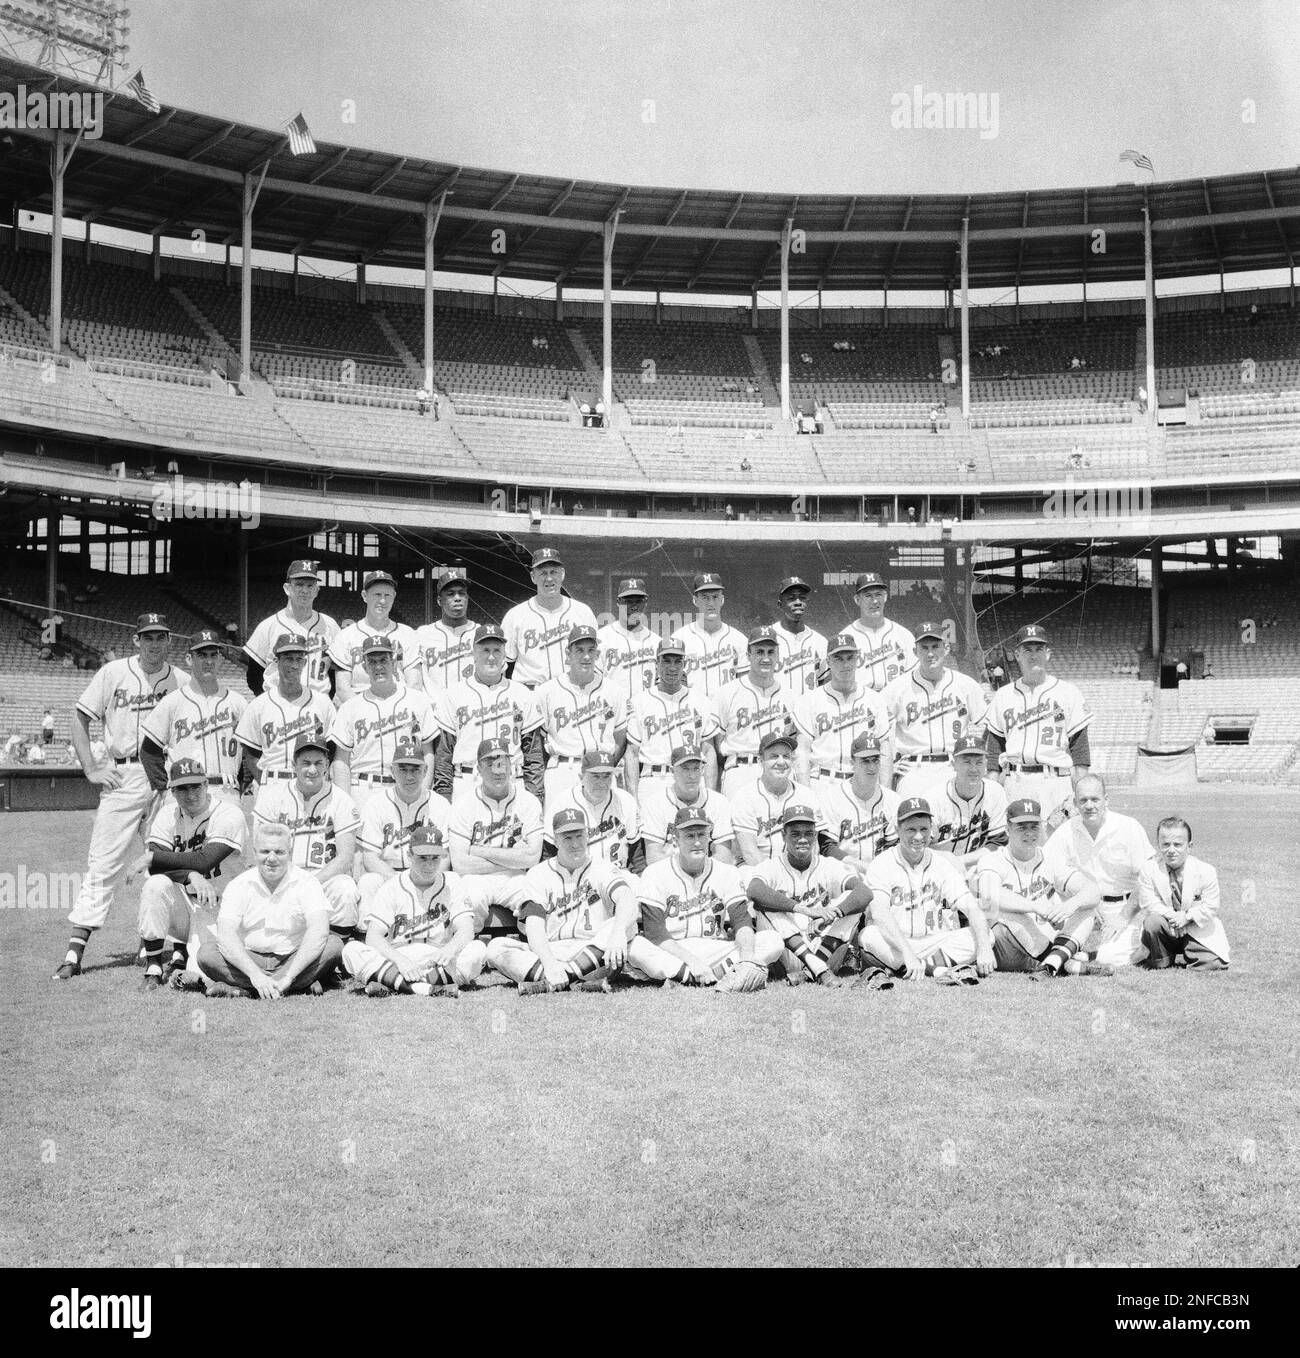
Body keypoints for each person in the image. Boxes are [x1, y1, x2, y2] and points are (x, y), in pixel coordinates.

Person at [55, 613, 188, 981]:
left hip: (166, 775)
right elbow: (79, 717)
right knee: (103, 862)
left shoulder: (182, 680)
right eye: (148, 637)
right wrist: (90, 768)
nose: (155, 643)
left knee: (169, 860)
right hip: (124, 773)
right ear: (136, 640)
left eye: (161, 636)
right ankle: (74, 950)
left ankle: (173, 948)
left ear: (169, 640)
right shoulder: (112, 672)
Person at [484, 806, 646, 993]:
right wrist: (550, 963)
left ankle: (562, 978)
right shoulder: (539, 874)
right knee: (496, 948)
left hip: (594, 954)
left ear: (587, 836)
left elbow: (626, 898)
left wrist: (618, 933)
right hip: (551, 952)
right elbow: (534, 927)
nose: (575, 843)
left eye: (579, 836)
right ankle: (573, 980)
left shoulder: (602, 867)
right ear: (555, 840)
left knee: (624, 924)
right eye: (567, 837)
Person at [627, 807, 784, 988]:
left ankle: (686, 978)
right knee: (635, 948)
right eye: (689, 836)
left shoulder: (728, 872)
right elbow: (656, 934)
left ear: (709, 836)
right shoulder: (655, 873)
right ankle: (714, 974)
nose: (697, 842)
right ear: (675, 839)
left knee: (772, 941)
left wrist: (747, 959)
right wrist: (693, 961)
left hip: (716, 948)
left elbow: (741, 922)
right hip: (673, 949)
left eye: (701, 835)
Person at [127, 758, 248, 991]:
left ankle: (190, 959)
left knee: (205, 968)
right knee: (156, 884)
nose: (190, 794)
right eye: (182, 788)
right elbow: (157, 868)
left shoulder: (229, 814)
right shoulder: (166, 815)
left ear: (206, 784)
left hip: (222, 906)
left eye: (195, 786)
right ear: (172, 790)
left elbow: (205, 860)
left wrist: (153, 856)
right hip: (184, 905)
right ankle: (153, 967)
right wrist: (191, 876)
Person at [197, 822, 344, 999]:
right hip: (249, 957)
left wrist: (289, 975)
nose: (272, 858)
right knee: (206, 954)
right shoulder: (239, 885)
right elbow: (226, 935)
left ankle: (249, 989)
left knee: (333, 945)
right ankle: (298, 984)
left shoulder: (307, 882)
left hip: (292, 958)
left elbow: (318, 931)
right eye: (265, 851)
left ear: (289, 853)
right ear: (254, 852)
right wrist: (255, 975)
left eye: (279, 852)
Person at [859, 797, 995, 985]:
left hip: (937, 942)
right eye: (911, 829)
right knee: (869, 935)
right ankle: (937, 970)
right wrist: (907, 952)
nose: (918, 836)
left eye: (924, 829)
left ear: (932, 830)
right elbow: (879, 913)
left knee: (987, 936)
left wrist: (985, 948)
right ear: (898, 830)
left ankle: (915, 967)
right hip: (898, 942)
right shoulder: (881, 864)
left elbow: (971, 907)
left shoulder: (941, 863)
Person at [342, 824, 487, 997]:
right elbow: (373, 937)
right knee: (351, 950)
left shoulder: (453, 882)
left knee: (478, 950)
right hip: (398, 958)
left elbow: (466, 929)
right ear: (410, 855)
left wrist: (450, 949)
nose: (430, 865)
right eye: (423, 858)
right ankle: (429, 987)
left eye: (435, 858)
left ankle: (393, 983)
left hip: (438, 959)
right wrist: (401, 961)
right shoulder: (392, 886)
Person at [976, 797, 1108, 978]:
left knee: (1087, 906)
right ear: (1007, 829)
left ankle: (1053, 963)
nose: (1029, 833)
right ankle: (1066, 963)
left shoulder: (1050, 858)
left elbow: (1092, 890)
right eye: (1021, 827)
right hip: (1006, 946)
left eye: (1034, 826)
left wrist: (1070, 905)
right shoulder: (992, 859)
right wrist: (1037, 907)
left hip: (1045, 942)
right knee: (1010, 914)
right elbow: (990, 895)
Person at [747, 804, 876, 985]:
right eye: (795, 834)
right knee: (766, 903)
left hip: (823, 947)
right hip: (786, 952)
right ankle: (816, 968)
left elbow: (865, 892)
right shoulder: (771, 867)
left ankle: (810, 970)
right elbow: (754, 890)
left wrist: (830, 915)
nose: (803, 839)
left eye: (808, 833)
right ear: (783, 836)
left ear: (815, 836)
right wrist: (803, 910)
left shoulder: (828, 865)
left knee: (852, 901)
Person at [253, 733, 363, 941]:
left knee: (345, 889)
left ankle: (337, 951)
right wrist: (285, 880)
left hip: (325, 877)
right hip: (282, 876)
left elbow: (345, 857)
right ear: (294, 764)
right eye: (305, 763)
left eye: (317, 763)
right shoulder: (272, 796)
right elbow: (260, 849)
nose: (311, 770)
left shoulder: (341, 800)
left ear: (327, 765)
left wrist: (310, 882)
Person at [984, 624, 1092, 827]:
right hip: (1014, 781)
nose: (1033, 656)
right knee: (1016, 846)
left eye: (1039, 649)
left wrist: (1080, 794)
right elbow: (994, 753)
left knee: (1058, 846)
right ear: (1016, 655)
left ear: (1048, 654)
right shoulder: (1003, 695)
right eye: (1027, 650)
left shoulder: (1068, 692)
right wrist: (991, 792)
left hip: (1055, 781)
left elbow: (1080, 753)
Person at [1042, 774, 1153, 968]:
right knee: (1042, 940)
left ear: (1106, 800)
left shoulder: (1128, 827)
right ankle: (1066, 952)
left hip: (1122, 907)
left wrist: (1123, 918)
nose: (1089, 805)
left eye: (1095, 799)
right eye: (1083, 800)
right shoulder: (1066, 831)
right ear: (1075, 803)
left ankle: (1087, 956)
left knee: (1109, 956)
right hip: (1084, 906)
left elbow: (1148, 877)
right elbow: (1045, 868)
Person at [433, 622, 543, 800]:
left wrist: (536, 798)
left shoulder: (522, 694)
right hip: (467, 780)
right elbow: (444, 756)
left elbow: (533, 755)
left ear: (504, 655)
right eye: (485, 650)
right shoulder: (452, 695)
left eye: (497, 650)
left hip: (512, 780)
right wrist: (444, 798)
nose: (491, 657)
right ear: (473, 653)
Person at [140, 629, 247, 808]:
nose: (208, 661)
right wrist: (164, 788)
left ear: (220, 659)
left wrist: (242, 786)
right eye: (202, 655)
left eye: (214, 655)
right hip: (185, 791)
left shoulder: (237, 702)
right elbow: (149, 751)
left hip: (226, 789)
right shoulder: (172, 702)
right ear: (189, 659)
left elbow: (249, 752)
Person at [448, 737, 545, 935]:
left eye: (502, 763)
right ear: (479, 769)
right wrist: (513, 858)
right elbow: (460, 864)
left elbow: (532, 858)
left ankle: (532, 950)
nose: (497, 770)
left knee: (536, 900)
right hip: (475, 878)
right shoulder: (463, 804)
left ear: (511, 766)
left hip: (516, 878)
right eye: (489, 763)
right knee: (468, 900)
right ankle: (468, 953)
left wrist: (477, 851)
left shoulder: (528, 801)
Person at [329, 637, 437, 810]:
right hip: (363, 788)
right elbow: (341, 761)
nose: (378, 667)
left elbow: (428, 753)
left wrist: (423, 792)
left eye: (383, 660)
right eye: (372, 662)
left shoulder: (418, 701)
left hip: (406, 787)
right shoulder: (350, 708)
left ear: (394, 663)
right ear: (364, 667)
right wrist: (345, 804)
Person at [882, 622, 987, 791]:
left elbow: (988, 725)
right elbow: (877, 730)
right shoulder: (896, 688)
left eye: (935, 646)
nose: (930, 653)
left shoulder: (966, 685)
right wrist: (888, 765)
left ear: (946, 648)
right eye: (924, 648)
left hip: (953, 768)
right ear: (915, 652)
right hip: (913, 770)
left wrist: (975, 759)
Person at [535, 625, 627, 814]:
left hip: (601, 771)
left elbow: (620, 739)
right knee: (559, 831)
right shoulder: (547, 691)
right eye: (579, 650)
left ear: (597, 654)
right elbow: (537, 744)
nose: (586, 656)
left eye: (590, 650)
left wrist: (604, 767)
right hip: (563, 768)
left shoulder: (614, 691)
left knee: (605, 832)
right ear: (568, 654)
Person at [357, 736, 453, 903]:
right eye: (403, 769)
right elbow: (370, 858)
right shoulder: (375, 803)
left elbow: (445, 857)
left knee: (453, 880)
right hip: (387, 875)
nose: (409, 776)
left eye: (415, 769)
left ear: (425, 771)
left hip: (428, 876)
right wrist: (398, 881)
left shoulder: (440, 805)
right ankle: (368, 930)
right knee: (368, 882)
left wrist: (423, 881)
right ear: (392, 771)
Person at [791, 632, 893, 786]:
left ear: (857, 660)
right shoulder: (810, 700)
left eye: (850, 658)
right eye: (838, 659)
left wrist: (885, 790)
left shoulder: (875, 699)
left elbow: (885, 750)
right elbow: (802, 752)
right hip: (824, 780)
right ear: (828, 662)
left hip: (863, 782)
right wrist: (805, 792)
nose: (845, 665)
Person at [625, 637, 719, 804]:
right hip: (653, 778)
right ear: (657, 663)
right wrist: (633, 799)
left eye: (678, 661)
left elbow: (709, 750)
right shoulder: (639, 702)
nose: (672, 667)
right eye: (666, 661)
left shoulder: (701, 701)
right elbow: (631, 754)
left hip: (692, 780)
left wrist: (710, 794)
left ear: (685, 664)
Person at [235, 634, 335, 790]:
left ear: (304, 662)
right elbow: (250, 753)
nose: (294, 665)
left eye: (299, 659)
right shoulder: (259, 705)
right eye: (288, 658)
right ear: (277, 661)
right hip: (272, 781)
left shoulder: (322, 703)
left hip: (311, 783)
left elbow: (332, 747)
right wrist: (264, 781)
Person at [906, 733, 1008, 877]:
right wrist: (946, 859)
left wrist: (959, 861)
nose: (973, 769)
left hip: (977, 868)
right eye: (966, 762)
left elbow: (998, 843)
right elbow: (914, 848)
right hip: (935, 870)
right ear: (954, 765)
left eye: (979, 762)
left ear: (986, 764)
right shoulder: (933, 799)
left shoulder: (995, 792)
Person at [713, 626, 794, 800]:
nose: (766, 658)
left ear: (777, 655)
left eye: (770, 652)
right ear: (748, 655)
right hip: (740, 769)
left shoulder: (790, 695)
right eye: (759, 652)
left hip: (779, 771)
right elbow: (717, 745)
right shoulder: (727, 692)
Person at [1137, 817, 1229, 970]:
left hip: (1195, 927)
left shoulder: (1206, 871)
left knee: (1213, 963)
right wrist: (1173, 916)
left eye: (1178, 845)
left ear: (1189, 846)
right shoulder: (1149, 869)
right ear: (1158, 845)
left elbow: (1211, 906)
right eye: (1165, 844)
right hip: (1165, 926)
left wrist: (1186, 917)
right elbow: (1148, 903)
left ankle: (1192, 954)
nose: (1171, 850)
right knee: (1152, 922)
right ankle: (1163, 960)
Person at [730, 729, 828, 871]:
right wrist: (780, 878)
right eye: (774, 756)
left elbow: (813, 847)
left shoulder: (807, 796)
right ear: (760, 761)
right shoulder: (744, 797)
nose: (781, 762)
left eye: (786, 756)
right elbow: (749, 852)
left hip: (799, 870)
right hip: (755, 870)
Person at [501, 547, 598, 690]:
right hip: (531, 692)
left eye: (554, 572)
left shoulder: (582, 611)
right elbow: (503, 663)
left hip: (573, 691)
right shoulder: (515, 615)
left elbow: (596, 659)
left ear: (563, 574)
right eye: (542, 573)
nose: (549, 578)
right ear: (533, 577)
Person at [243, 559, 339, 698]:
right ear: (287, 588)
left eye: (310, 585)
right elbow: (254, 675)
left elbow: (336, 672)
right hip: (277, 704)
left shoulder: (330, 625)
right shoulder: (269, 626)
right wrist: (270, 701)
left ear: (317, 590)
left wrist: (325, 699)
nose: (305, 590)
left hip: (318, 705)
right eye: (299, 584)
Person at [542, 748, 642, 872]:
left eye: (607, 776)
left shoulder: (625, 801)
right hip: (578, 878)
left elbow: (637, 854)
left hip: (618, 874)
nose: (601, 783)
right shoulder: (562, 803)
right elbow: (547, 853)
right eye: (595, 776)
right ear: (581, 777)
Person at [329, 570, 419, 702]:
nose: (382, 600)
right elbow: (343, 689)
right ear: (365, 596)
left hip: (399, 703)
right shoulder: (346, 636)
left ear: (394, 596)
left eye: (387, 595)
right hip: (358, 701)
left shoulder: (407, 633)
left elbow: (415, 684)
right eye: (377, 594)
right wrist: (367, 712)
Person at [818, 732, 900, 876]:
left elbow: (894, 846)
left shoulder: (892, 800)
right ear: (852, 763)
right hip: (843, 872)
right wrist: (860, 866)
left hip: (881, 874)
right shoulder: (831, 798)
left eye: (875, 760)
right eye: (865, 761)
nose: (872, 767)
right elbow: (827, 847)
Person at [640, 744, 735, 866]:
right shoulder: (655, 803)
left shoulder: (719, 802)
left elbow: (725, 856)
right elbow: (653, 857)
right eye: (685, 768)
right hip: (669, 873)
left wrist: (699, 872)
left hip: (708, 873)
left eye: (696, 768)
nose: (692, 775)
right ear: (672, 771)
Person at [671, 572, 749, 701]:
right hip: (691, 710)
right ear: (695, 601)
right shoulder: (679, 639)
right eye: (705, 597)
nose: (711, 603)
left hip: (728, 710)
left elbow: (745, 686)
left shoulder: (739, 639)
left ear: (722, 599)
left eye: (715, 597)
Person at [844, 572, 915, 693]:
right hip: (861, 704)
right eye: (868, 596)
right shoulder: (847, 637)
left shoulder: (903, 635)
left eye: (878, 595)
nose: (875, 601)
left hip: (897, 702)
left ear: (885, 597)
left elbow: (915, 676)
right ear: (857, 600)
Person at [411, 568, 476, 697]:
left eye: (461, 593)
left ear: (467, 598)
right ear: (439, 601)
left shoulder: (479, 633)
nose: (457, 598)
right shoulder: (422, 634)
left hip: (472, 709)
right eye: (450, 594)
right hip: (436, 710)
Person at [596, 577, 659, 708]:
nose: (634, 606)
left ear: (646, 603)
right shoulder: (602, 638)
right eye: (628, 601)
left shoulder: (656, 642)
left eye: (639, 601)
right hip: (613, 712)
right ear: (618, 602)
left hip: (647, 713)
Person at [770, 576, 827, 699]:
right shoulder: (769, 638)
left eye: (802, 597)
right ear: (780, 604)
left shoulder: (820, 641)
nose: (798, 602)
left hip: (810, 711)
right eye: (791, 598)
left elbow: (825, 682)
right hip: (776, 710)